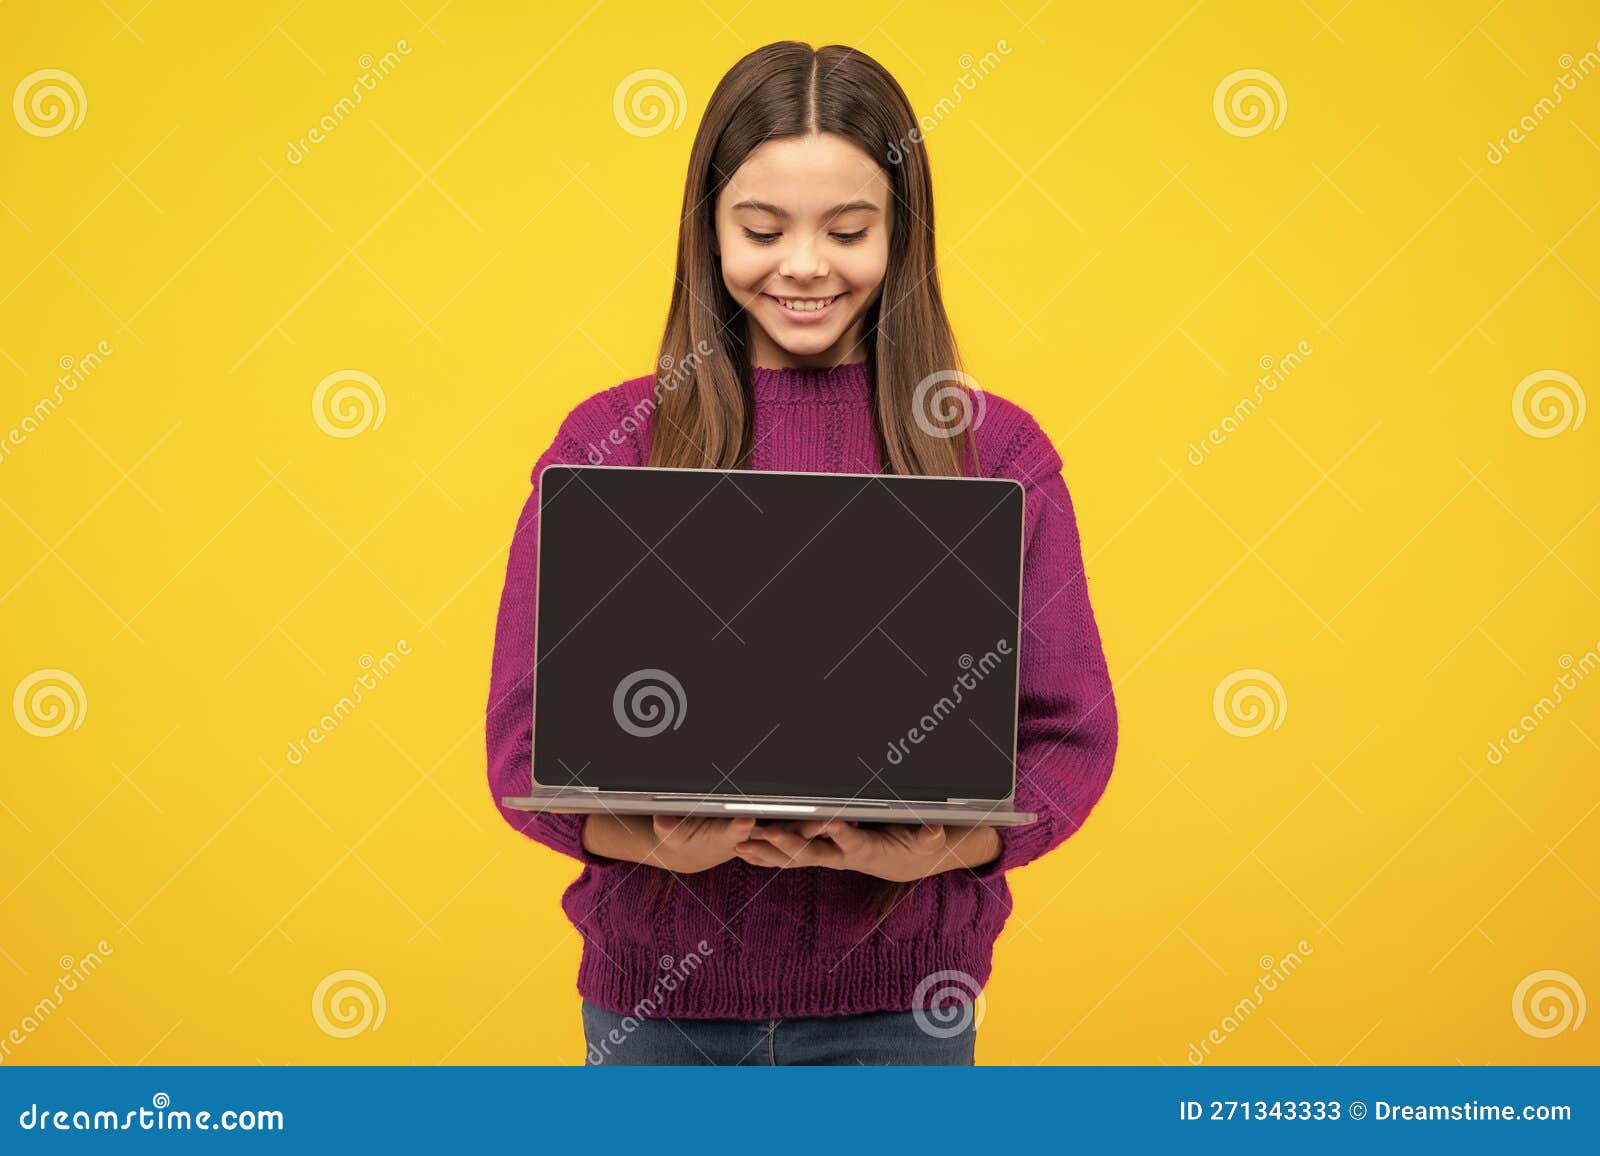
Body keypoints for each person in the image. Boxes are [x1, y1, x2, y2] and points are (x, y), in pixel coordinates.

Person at [485, 40, 1118, 1065]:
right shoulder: (612, 444)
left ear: (901, 234)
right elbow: (522, 750)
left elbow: (1068, 736)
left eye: (849, 230)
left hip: (903, 1016)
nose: (806, 265)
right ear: (708, 231)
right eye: (763, 229)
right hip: (657, 1021)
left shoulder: (991, 451)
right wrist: (655, 844)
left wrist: (938, 853)